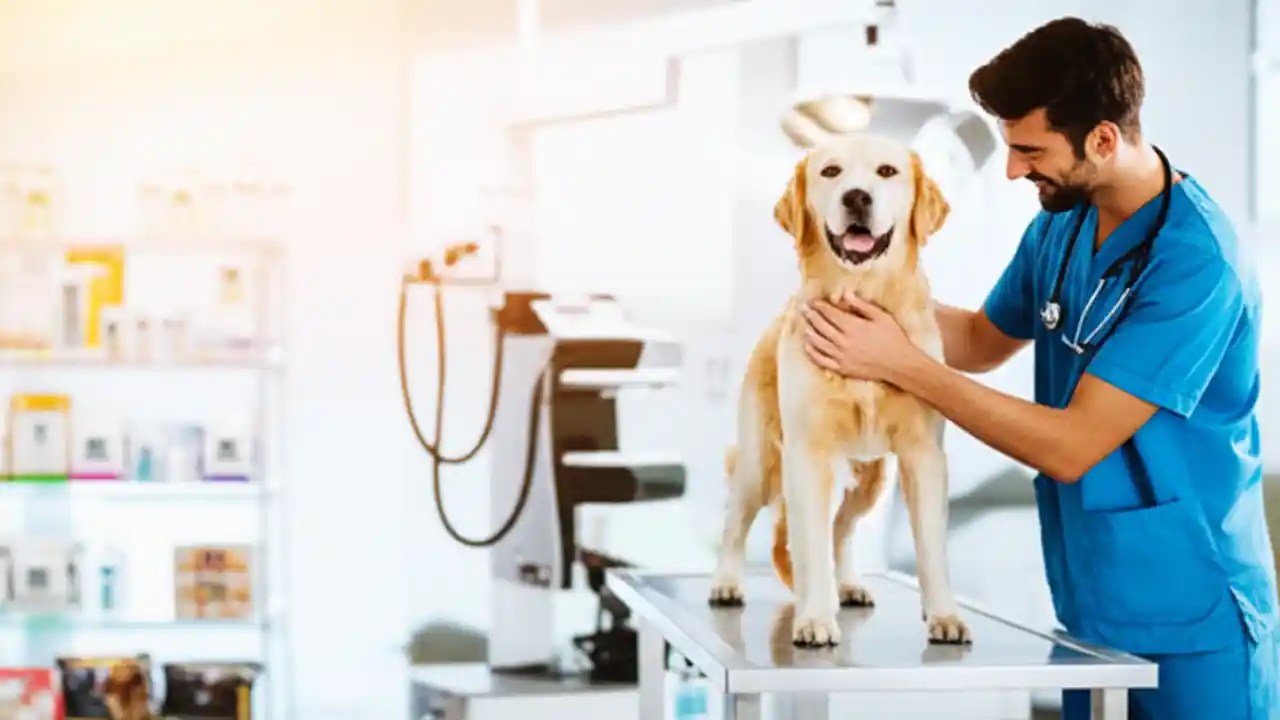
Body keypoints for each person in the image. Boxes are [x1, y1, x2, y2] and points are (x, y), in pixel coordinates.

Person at [800, 16, 1279, 720]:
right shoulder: (1061, 221)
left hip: (1198, 615)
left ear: (1103, 139)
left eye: (1029, 149)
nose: (1014, 169)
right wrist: (874, 293)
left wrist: (901, 364)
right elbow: (983, 338)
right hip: (1093, 601)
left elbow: (1071, 446)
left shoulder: (1197, 263)